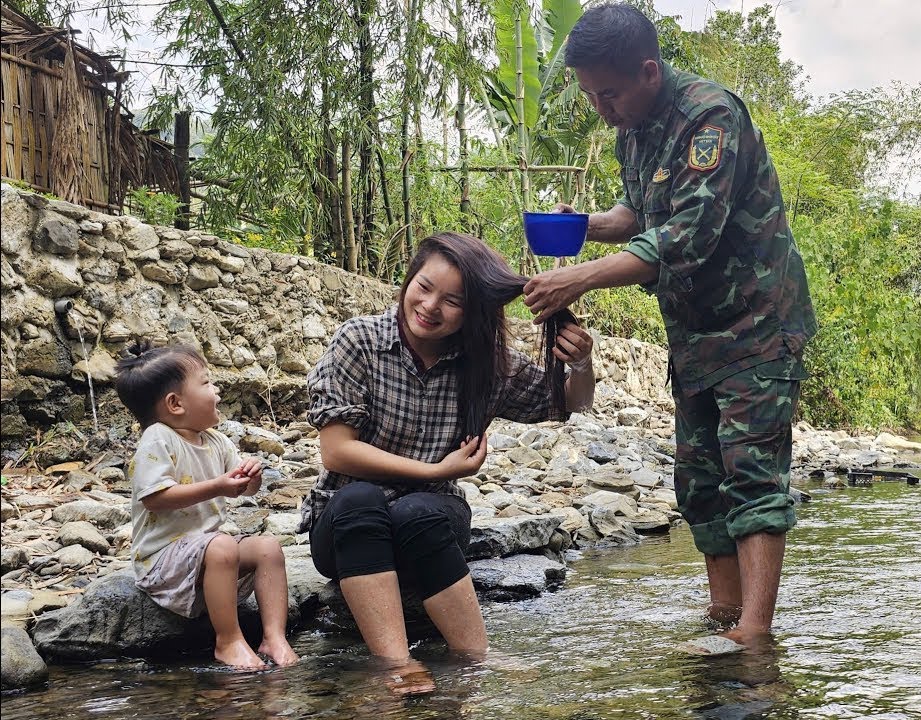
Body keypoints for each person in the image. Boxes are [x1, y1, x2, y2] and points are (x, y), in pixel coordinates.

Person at [522, 3, 817, 652]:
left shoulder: (710, 117)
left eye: (609, 93)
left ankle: (754, 638)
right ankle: (724, 615)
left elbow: (686, 235)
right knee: (700, 481)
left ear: (649, 72)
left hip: (756, 326)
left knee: (751, 474)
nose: (601, 108)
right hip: (694, 337)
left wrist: (578, 278)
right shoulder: (633, 129)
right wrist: (584, 226)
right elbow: (639, 213)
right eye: (590, 95)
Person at [304, 231, 596, 694]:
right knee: (360, 499)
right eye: (424, 287)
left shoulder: (488, 365)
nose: (430, 306)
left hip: (430, 527)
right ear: (408, 280)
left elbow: (566, 404)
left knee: (418, 510)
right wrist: (437, 471)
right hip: (347, 530)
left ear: (474, 311)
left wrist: (580, 365)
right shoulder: (359, 341)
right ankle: (397, 663)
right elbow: (338, 451)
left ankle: (476, 657)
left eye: (452, 301)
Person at [116, 342, 298, 670]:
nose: (217, 390)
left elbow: (241, 490)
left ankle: (274, 637)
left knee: (268, 548)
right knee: (223, 545)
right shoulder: (158, 438)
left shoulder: (217, 440)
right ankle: (228, 641)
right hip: (163, 561)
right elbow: (154, 498)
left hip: (210, 557)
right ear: (175, 404)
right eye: (206, 382)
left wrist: (251, 477)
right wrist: (217, 485)